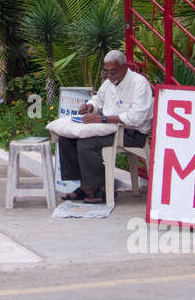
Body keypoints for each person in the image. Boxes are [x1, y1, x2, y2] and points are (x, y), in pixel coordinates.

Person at [47, 50, 153, 204]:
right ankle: (86, 187)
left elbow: (135, 118)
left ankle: (103, 188)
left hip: (131, 133)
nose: (109, 76)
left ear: (124, 67)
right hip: (109, 128)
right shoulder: (109, 82)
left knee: (87, 143)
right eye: (107, 72)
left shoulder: (139, 83)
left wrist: (102, 119)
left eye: (113, 72)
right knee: (67, 138)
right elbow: (98, 100)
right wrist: (89, 106)